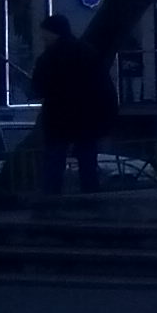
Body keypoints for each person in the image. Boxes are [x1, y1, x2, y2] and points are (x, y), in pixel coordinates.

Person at [29, 13, 116, 194]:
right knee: (87, 161)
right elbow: (103, 85)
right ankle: (90, 199)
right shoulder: (87, 52)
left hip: (58, 117)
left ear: (53, 33)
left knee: (54, 161)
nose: (42, 37)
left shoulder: (48, 58)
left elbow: (38, 88)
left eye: (44, 33)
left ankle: (51, 203)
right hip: (86, 116)